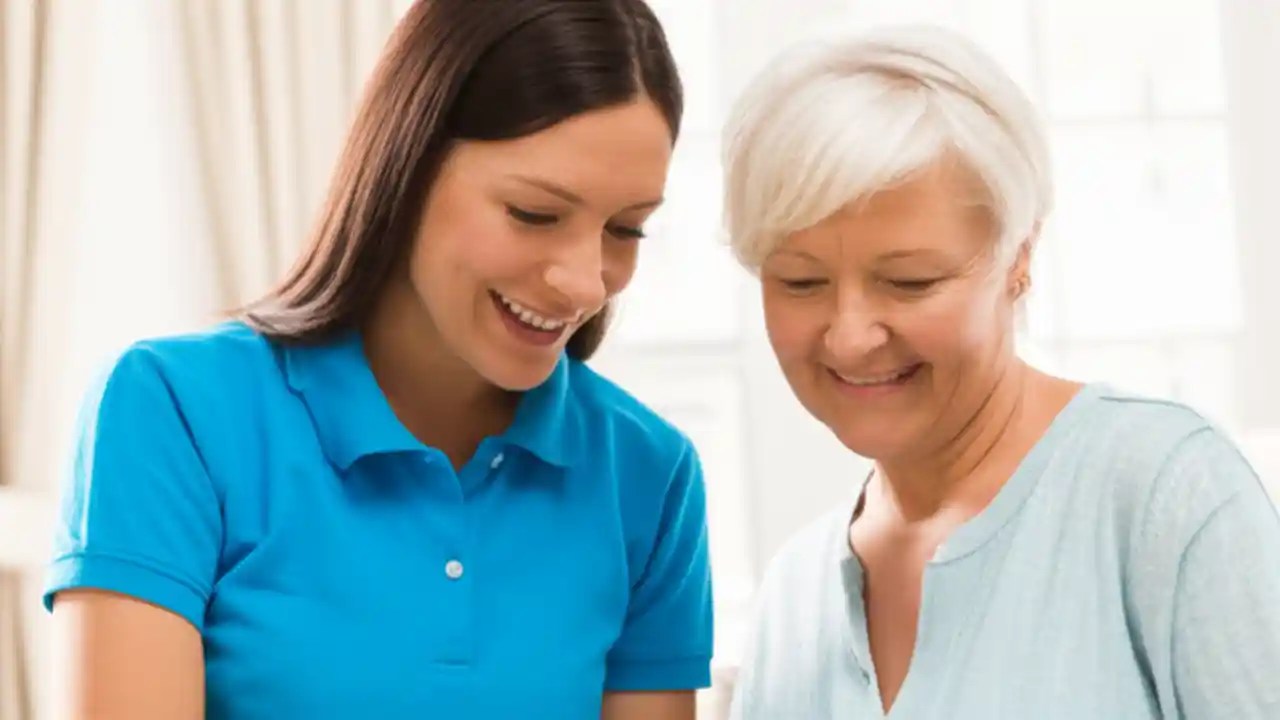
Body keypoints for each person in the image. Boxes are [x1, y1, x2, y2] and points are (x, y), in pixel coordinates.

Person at [44, 1, 713, 718]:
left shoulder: (649, 474)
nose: (586, 281)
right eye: (534, 214)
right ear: (408, 164)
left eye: (625, 229)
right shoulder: (173, 412)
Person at [721, 24, 1280, 719]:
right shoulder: (793, 601)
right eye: (801, 282)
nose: (851, 336)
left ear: (1018, 256)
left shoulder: (1165, 498)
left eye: (909, 281)